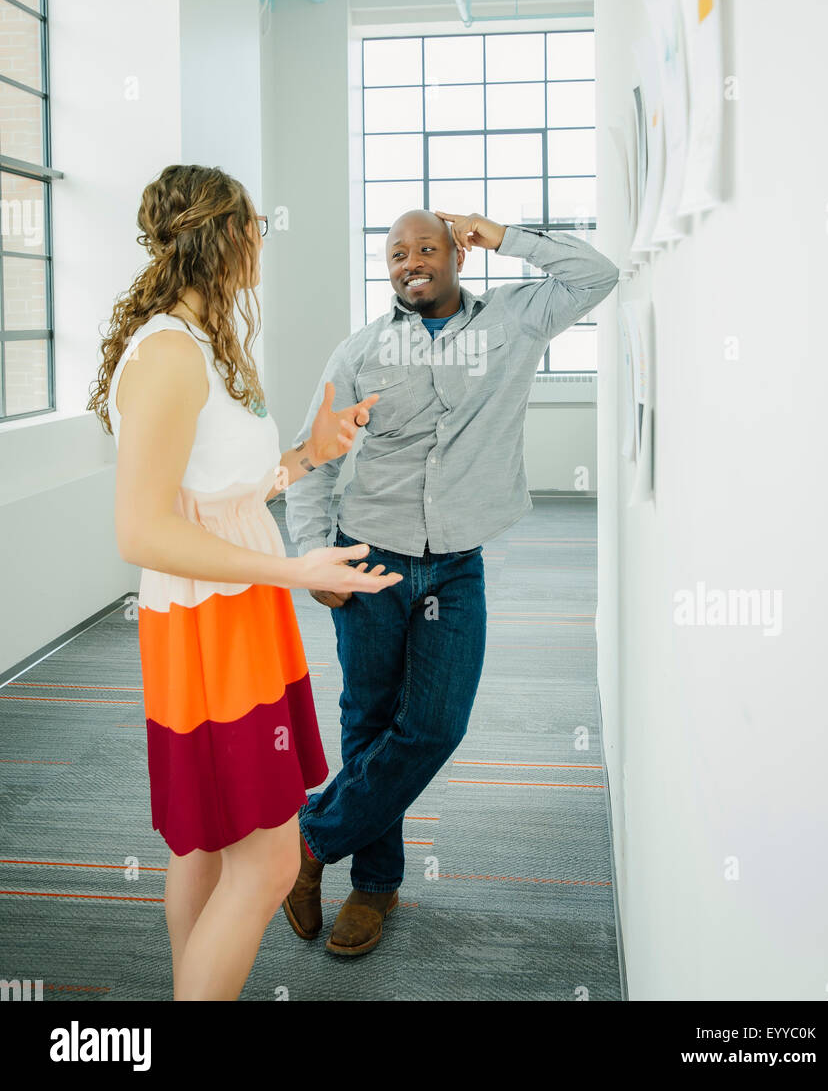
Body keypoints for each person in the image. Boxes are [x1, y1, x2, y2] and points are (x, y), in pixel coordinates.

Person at [87, 164, 403, 1001]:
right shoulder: (167, 354)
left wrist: (307, 456)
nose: (263, 236)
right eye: (255, 223)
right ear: (220, 234)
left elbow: (217, 496)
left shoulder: (204, 344)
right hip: (211, 625)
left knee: (204, 845)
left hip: (233, 613)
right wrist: (293, 569)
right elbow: (143, 529)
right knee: (264, 863)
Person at [283, 207, 619, 957]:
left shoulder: (515, 320)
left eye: (426, 246)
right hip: (367, 557)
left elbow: (597, 273)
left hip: (455, 564)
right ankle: (375, 885)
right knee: (369, 721)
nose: (410, 261)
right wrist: (311, 554)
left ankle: (308, 841)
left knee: (434, 725)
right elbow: (313, 458)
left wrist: (506, 236)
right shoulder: (361, 351)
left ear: (456, 254)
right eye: (396, 253)